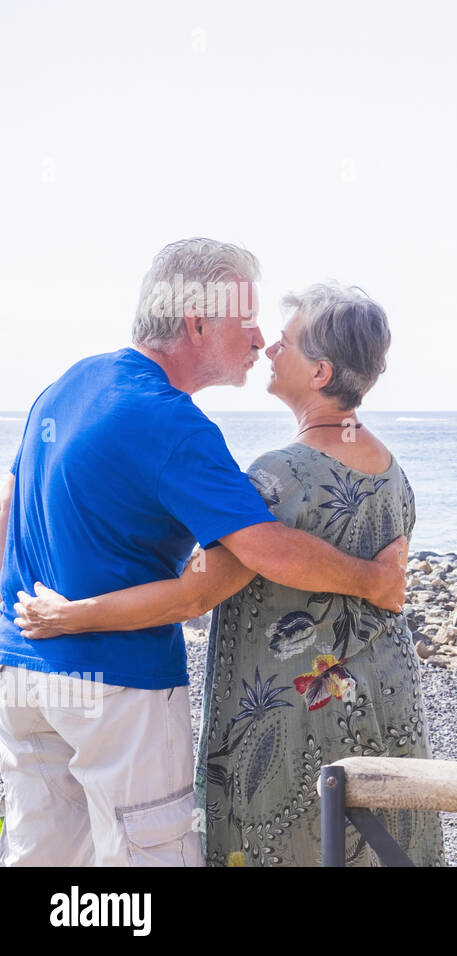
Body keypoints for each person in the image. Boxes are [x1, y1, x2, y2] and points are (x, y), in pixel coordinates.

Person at [0, 240, 408, 867]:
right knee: (149, 862)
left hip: (23, 675)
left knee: (44, 861)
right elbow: (256, 554)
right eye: (246, 322)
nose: (259, 337)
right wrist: (374, 580)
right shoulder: (174, 424)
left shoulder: (69, 383)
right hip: (116, 688)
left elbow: (10, 498)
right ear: (197, 323)